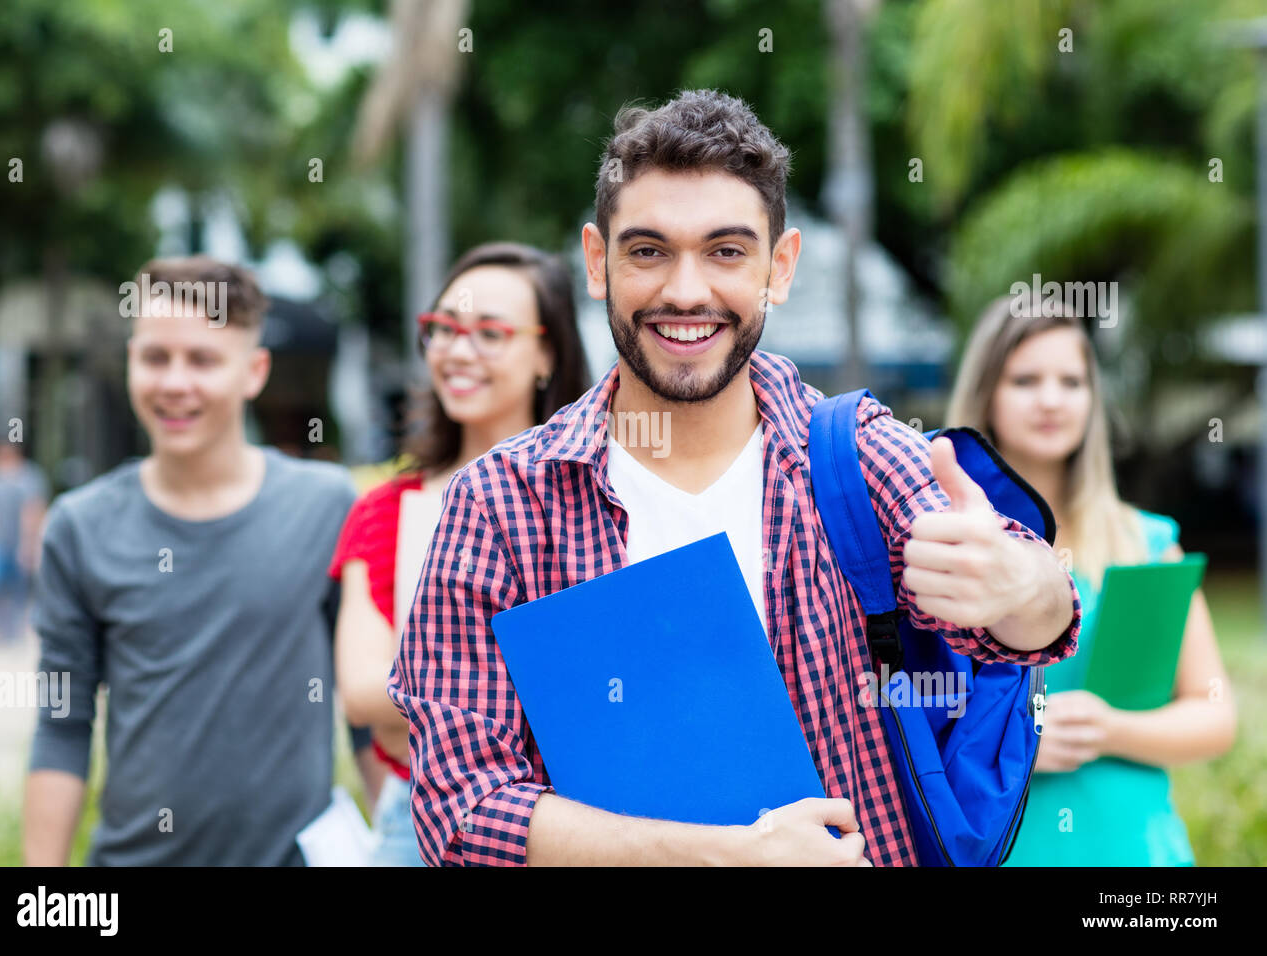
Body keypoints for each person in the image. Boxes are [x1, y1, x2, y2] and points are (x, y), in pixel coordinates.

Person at [391, 89, 1083, 867]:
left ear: (778, 269)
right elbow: (460, 810)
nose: (686, 292)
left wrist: (1023, 588)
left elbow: (1038, 620)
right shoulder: (499, 503)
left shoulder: (852, 457)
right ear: (597, 262)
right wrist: (724, 853)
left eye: (726, 252)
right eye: (648, 251)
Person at [23, 255, 370, 865]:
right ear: (131, 360)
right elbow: (62, 723)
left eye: (203, 359)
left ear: (254, 371)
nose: (175, 382)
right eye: (156, 356)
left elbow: (366, 714)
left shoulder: (328, 508)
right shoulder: (79, 528)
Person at [947, 295, 1237, 866]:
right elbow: (893, 718)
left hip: (1135, 858)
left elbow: (1215, 714)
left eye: (1072, 382)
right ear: (987, 394)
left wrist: (1109, 729)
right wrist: (1012, 747)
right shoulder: (942, 547)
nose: (1052, 400)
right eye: (1026, 380)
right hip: (998, 850)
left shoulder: (1147, 544)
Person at [330, 242, 590, 866]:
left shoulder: (600, 493)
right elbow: (363, 693)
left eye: (490, 333)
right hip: (419, 830)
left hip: (582, 826)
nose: (457, 350)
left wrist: (442, 690)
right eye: (442, 329)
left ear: (547, 352)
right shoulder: (385, 509)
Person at [0, 441, 49, 644]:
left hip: (18, 542)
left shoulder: (29, 477)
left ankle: (13, 631)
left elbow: (34, 509)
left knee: (17, 586)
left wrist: (31, 542)